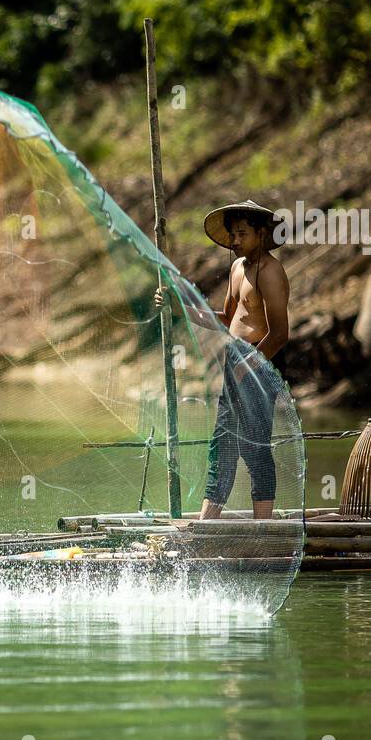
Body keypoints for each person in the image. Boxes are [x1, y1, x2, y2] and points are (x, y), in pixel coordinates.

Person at [154, 200, 291, 519]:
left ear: (261, 233)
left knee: (254, 448)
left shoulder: (270, 272)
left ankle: (263, 529)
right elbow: (227, 319)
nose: (236, 241)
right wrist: (180, 310)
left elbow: (280, 334)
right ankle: (206, 523)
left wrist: (250, 365)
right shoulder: (237, 268)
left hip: (259, 362)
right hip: (236, 362)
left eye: (242, 234)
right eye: (232, 235)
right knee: (222, 445)